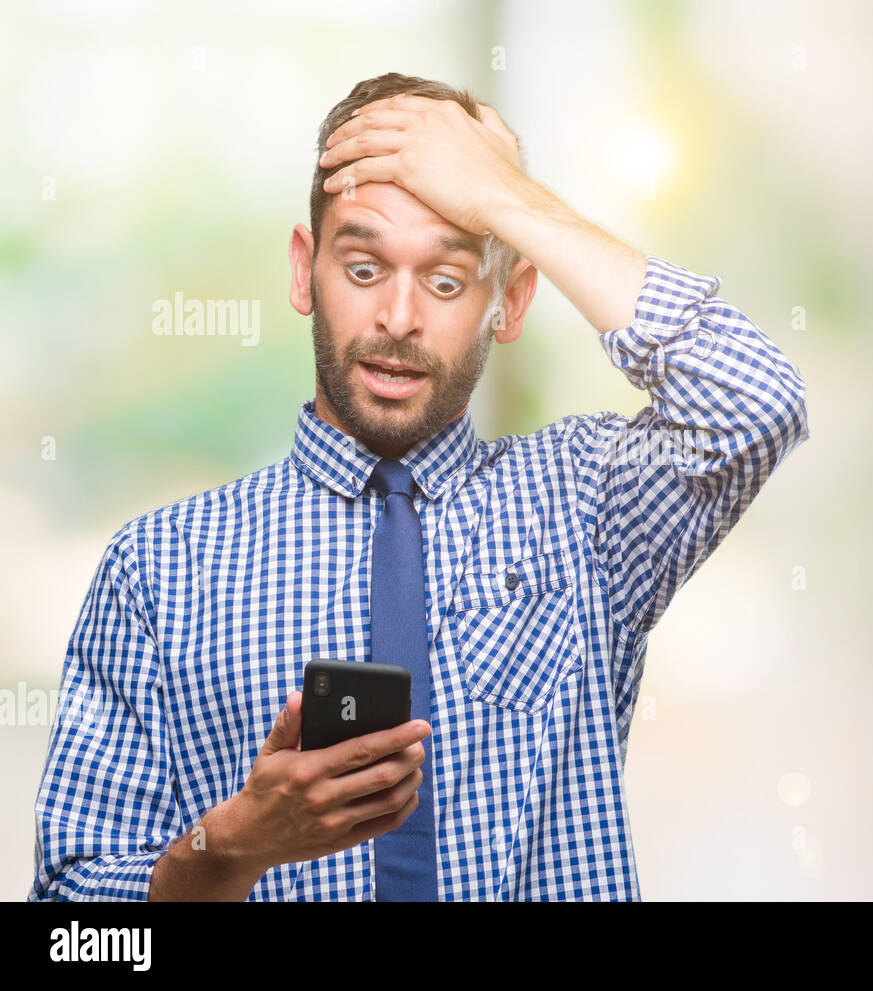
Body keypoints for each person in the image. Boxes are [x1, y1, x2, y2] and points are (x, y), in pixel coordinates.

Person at [29, 72, 810, 901]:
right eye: (364, 267)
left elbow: (755, 402)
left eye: (446, 280)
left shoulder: (588, 505)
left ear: (509, 301)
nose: (399, 317)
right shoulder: (158, 569)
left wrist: (507, 198)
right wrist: (229, 845)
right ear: (304, 272)